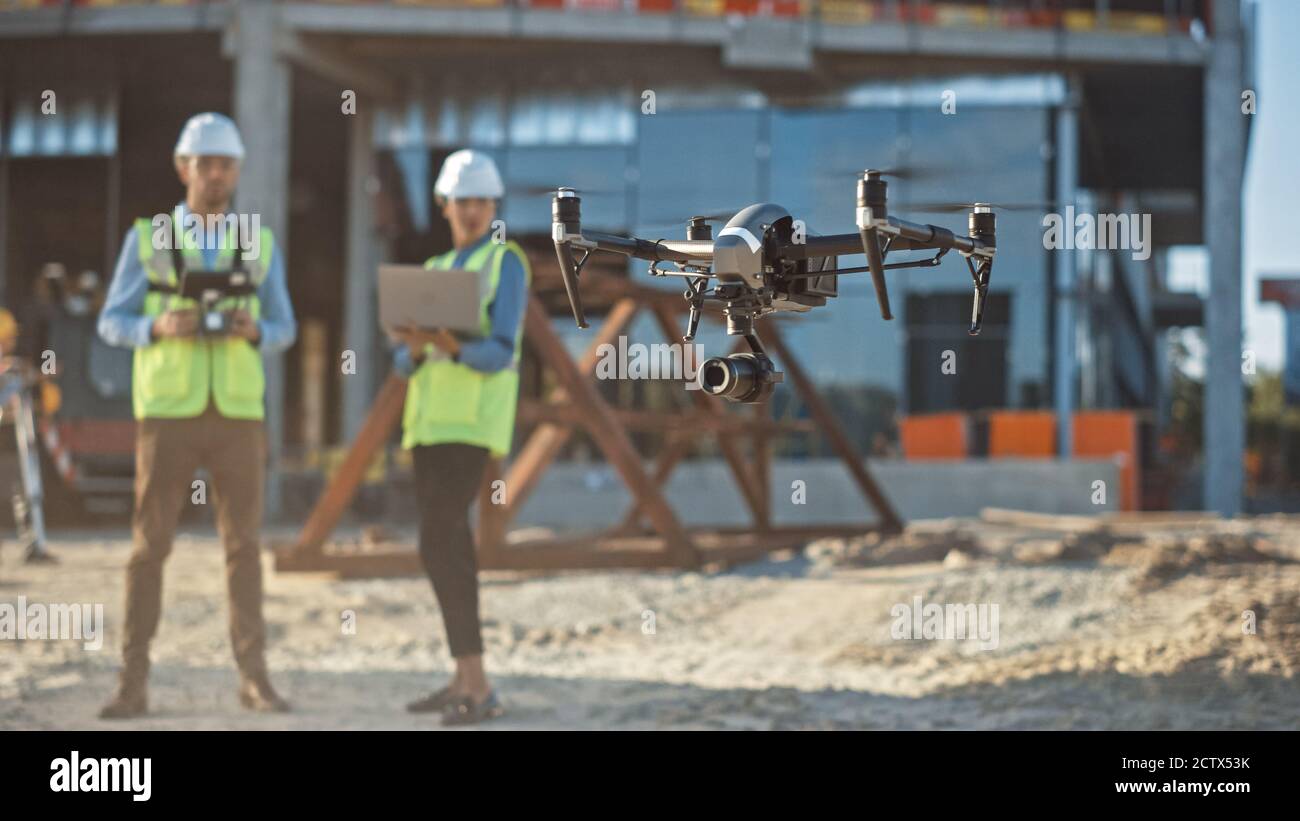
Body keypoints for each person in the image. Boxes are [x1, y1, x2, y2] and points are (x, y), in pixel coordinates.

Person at [96, 112, 297, 719]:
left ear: (237, 170)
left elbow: (284, 326)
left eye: (226, 165)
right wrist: (156, 325)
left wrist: (255, 328)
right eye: (205, 164)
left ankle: (253, 678)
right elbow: (111, 321)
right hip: (168, 414)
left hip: (237, 413)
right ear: (184, 168)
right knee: (149, 548)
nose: (216, 175)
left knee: (244, 548)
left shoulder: (257, 242)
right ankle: (132, 681)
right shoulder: (149, 239)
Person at [389, 149, 530, 726]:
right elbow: (401, 366)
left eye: (480, 202)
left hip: (471, 426)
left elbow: (502, 351)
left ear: (493, 205)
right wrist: (417, 345)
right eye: (461, 201)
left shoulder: (506, 262)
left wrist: (451, 347)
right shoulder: (437, 266)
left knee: (439, 541)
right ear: (443, 204)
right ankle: (465, 678)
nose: (471, 211)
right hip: (428, 428)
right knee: (446, 546)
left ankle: (478, 684)